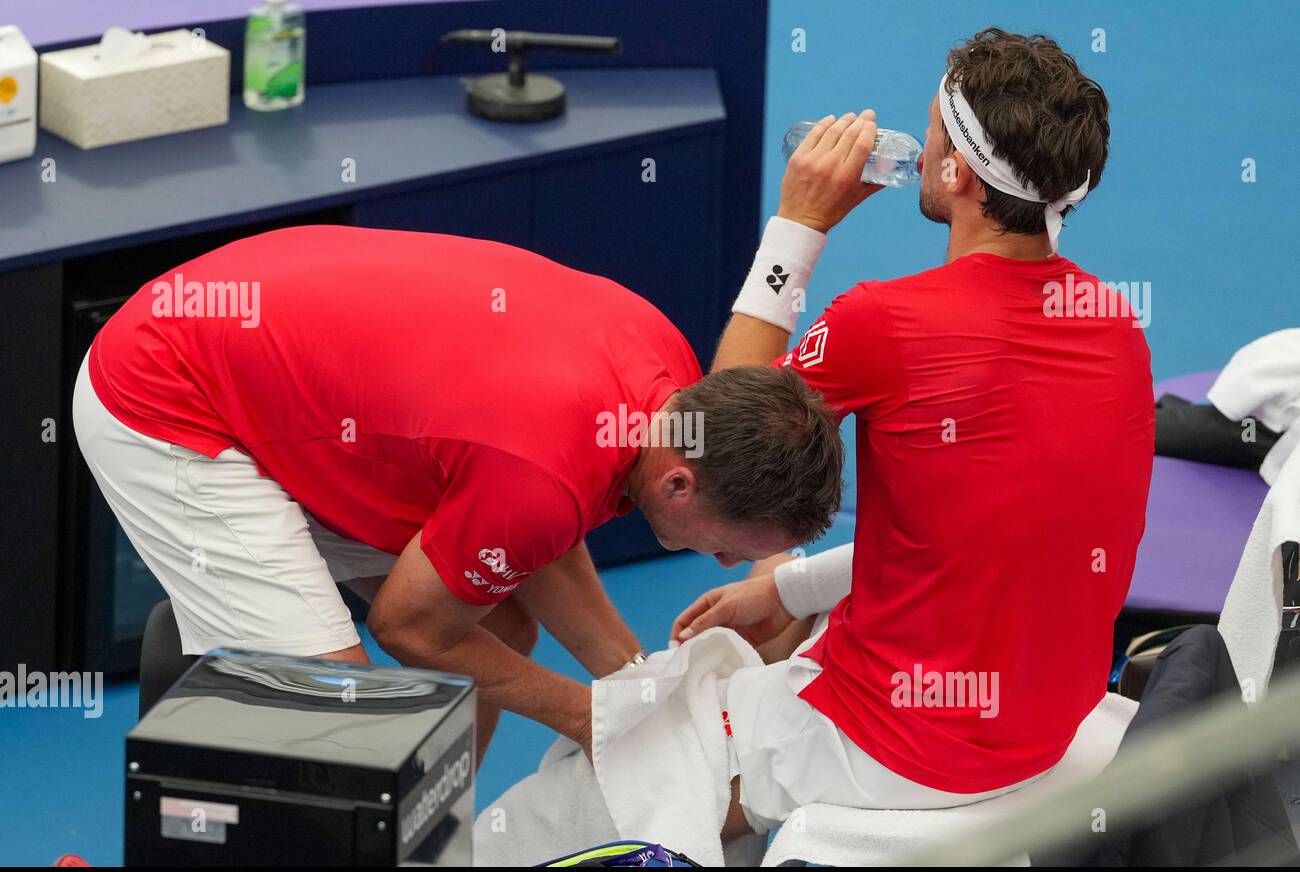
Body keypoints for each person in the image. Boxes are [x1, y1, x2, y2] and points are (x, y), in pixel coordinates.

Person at [73, 225, 844, 760]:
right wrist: (591, 721)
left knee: (498, 628)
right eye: (726, 547)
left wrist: (637, 682)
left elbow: (540, 526)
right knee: (333, 711)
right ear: (679, 483)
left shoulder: (667, 382)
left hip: (280, 360)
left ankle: (423, 843)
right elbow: (409, 627)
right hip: (167, 395)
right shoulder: (543, 474)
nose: (722, 565)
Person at [674, 28, 1154, 837]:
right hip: (1044, 729)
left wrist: (798, 223)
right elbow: (975, 549)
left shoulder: (883, 322)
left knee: (615, 768)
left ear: (955, 172)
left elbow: (709, 441)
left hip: (896, 748)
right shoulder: (1116, 324)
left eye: (929, 129)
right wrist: (789, 589)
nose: (917, 144)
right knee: (778, 614)